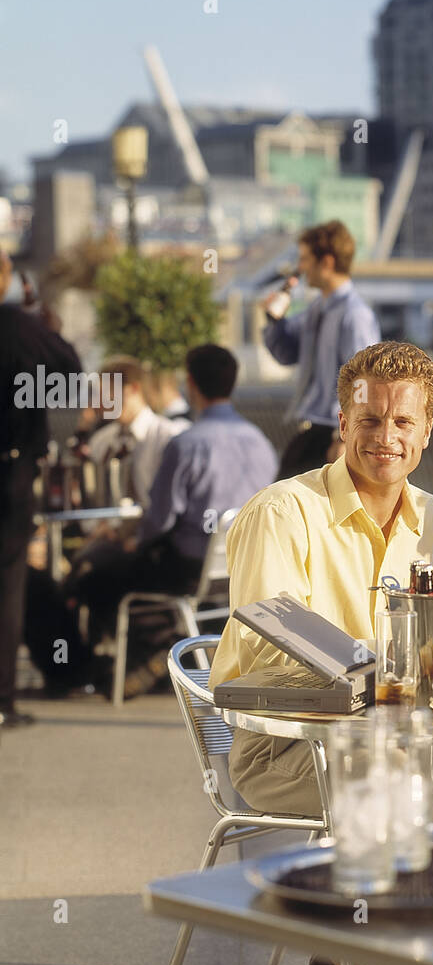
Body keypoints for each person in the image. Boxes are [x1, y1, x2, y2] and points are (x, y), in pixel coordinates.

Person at [210, 342, 433, 965]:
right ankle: (371, 964)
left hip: (395, 737)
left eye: (403, 424)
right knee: (427, 788)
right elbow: (272, 641)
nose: (386, 437)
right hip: (284, 749)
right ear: (341, 424)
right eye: (369, 419)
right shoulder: (281, 512)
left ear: (426, 432)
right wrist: (385, 683)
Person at [72, 343, 278, 696]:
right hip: (240, 566)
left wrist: (130, 540)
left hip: (186, 568)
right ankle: (152, 656)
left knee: (96, 576)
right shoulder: (261, 442)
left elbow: (160, 520)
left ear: (192, 385)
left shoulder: (187, 443)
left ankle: (132, 662)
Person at [0, 248, 81, 727]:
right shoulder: (20, 328)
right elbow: (70, 374)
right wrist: (41, 323)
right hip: (10, 474)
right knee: (9, 584)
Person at [263, 219, 380, 479]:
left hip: (331, 435)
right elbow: (286, 353)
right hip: (311, 427)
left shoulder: (354, 315)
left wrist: (346, 439)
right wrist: (275, 322)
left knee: (290, 506)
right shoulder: (317, 309)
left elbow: (364, 382)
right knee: (282, 502)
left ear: (326, 262)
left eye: (305, 259)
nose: (300, 268)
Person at [86, 356, 183, 508]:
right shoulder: (100, 441)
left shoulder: (168, 437)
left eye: (107, 392)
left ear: (134, 389)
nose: (100, 400)